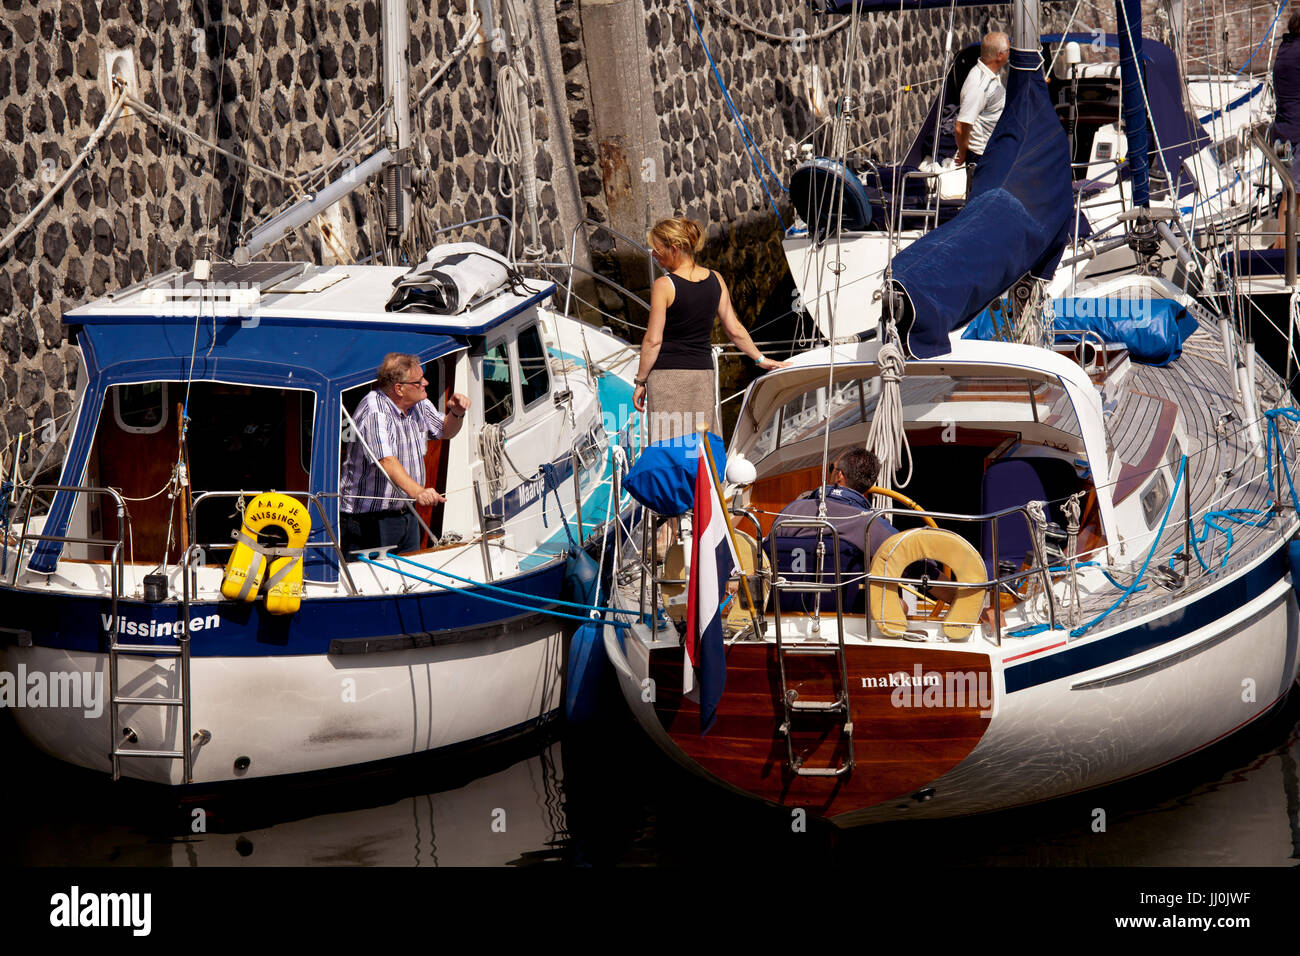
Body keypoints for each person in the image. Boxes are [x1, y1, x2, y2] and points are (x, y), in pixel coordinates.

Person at [632, 217, 788, 445]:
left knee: (670, 446)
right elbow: (734, 329)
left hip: (668, 379)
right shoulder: (716, 279)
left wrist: (640, 381)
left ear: (674, 249)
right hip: (702, 376)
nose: (654, 256)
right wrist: (760, 358)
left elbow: (653, 341)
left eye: (657, 250)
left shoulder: (664, 286)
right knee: (701, 444)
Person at [339, 352, 470, 555]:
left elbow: (445, 431)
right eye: (419, 381)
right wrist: (419, 492)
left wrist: (456, 413)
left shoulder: (420, 404)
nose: (426, 383)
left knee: (409, 580)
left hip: (406, 513)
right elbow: (386, 461)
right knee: (378, 582)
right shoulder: (375, 413)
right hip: (370, 519)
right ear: (399, 389)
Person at [765, 448, 898, 613]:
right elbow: (922, 569)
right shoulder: (875, 526)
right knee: (900, 604)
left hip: (781, 616)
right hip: (849, 622)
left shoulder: (791, 511)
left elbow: (765, 559)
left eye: (831, 469)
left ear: (839, 475)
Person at [954, 32, 1010, 196]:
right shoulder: (978, 86)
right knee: (983, 203)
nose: (1010, 54)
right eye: (1008, 50)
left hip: (994, 152)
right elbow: (961, 126)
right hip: (981, 157)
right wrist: (964, 153)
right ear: (999, 55)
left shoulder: (991, 75)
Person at [1273, 13, 1300, 249]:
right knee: (1295, 194)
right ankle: (1286, 250)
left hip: (1283, 132)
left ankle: (1283, 246)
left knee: (1289, 193)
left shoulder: (1285, 47)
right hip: (1297, 133)